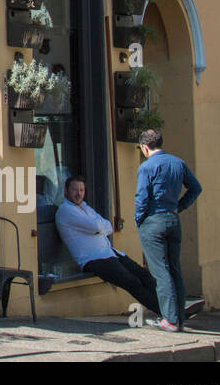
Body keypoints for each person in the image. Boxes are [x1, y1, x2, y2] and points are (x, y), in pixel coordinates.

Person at [55, 174, 162, 317]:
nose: (78, 194)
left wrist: (99, 227)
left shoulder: (84, 207)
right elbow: (96, 227)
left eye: (81, 190)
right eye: (75, 190)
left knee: (144, 275)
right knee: (132, 282)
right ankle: (166, 313)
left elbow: (108, 226)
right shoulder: (66, 211)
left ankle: (170, 306)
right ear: (66, 192)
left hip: (110, 253)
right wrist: (99, 227)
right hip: (93, 259)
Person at [135, 129, 203, 331]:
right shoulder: (177, 163)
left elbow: (142, 197)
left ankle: (170, 320)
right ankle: (178, 317)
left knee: (160, 272)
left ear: (145, 148)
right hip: (173, 220)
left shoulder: (146, 167)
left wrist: (139, 220)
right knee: (174, 269)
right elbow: (196, 188)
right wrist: (179, 207)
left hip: (153, 221)